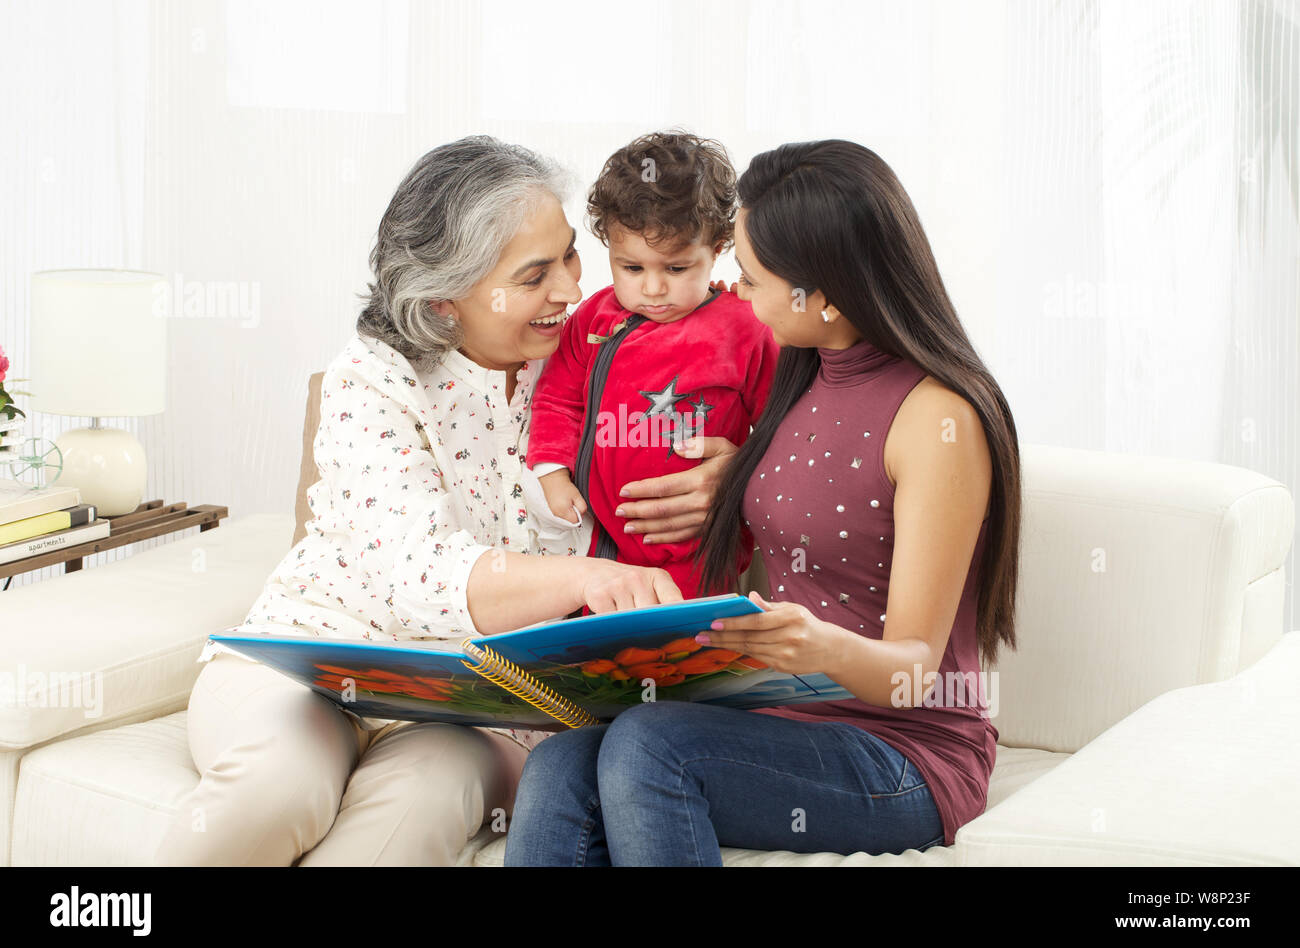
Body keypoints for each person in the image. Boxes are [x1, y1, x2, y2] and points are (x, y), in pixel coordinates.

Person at [151, 136, 737, 867]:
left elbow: (739, 405)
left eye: (569, 257)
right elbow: (418, 576)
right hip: (306, 664)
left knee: (420, 807)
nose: (568, 289)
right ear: (444, 298)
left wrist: (731, 472)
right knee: (281, 787)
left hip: (460, 710)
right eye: (534, 275)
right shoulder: (372, 379)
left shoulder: (597, 365)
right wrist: (590, 579)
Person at [505, 139, 1022, 866]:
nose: (735, 296)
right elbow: (783, 472)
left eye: (750, 278)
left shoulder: (939, 421)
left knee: (652, 747)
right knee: (560, 766)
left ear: (826, 293)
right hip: (784, 717)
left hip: (906, 753)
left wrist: (814, 645)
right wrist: (728, 478)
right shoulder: (800, 374)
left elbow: (914, 670)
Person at [526, 131, 778, 601]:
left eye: (677, 269)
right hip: (599, 541)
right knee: (600, 653)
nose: (654, 289)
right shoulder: (595, 318)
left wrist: (744, 476)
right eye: (633, 268)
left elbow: (782, 426)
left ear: (719, 245)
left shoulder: (747, 328)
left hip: (697, 546)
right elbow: (558, 398)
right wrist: (551, 472)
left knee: (685, 648)